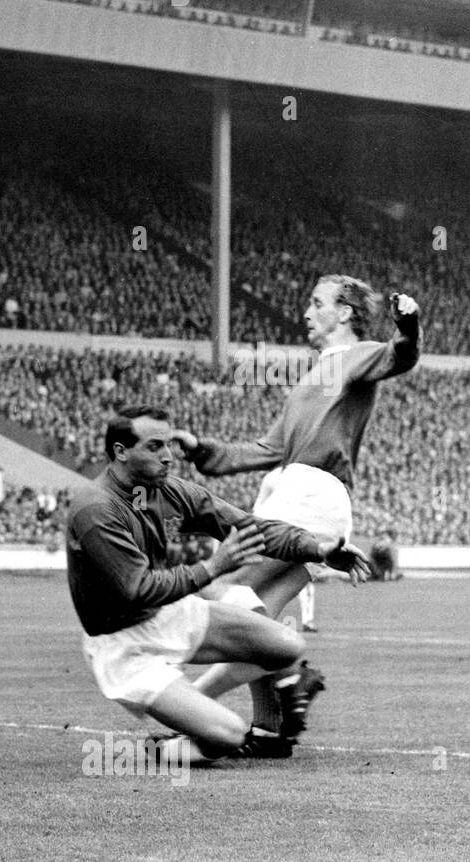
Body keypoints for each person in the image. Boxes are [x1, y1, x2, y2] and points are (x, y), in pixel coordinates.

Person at [173, 279, 420, 734]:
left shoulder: (355, 355)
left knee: (219, 589)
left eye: (317, 303)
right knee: (255, 621)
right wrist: (200, 449)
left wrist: (409, 324)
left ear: (343, 313)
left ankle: (289, 676)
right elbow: (265, 448)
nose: (306, 311)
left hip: (310, 492)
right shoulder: (314, 376)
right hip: (317, 498)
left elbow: (398, 355)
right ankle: (270, 729)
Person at [66, 405, 371, 763]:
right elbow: (137, 588)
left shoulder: (168, 490)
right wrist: (214, 566)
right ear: (120, 452)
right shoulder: (95, 509)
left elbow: (251, 527)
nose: (167, 457)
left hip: (166, 615)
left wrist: (316, 549)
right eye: (154, 447)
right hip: (120, 644)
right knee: (227, 736)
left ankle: (279, 690)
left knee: (287, 645)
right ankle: (160, 750)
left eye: (168, 445)